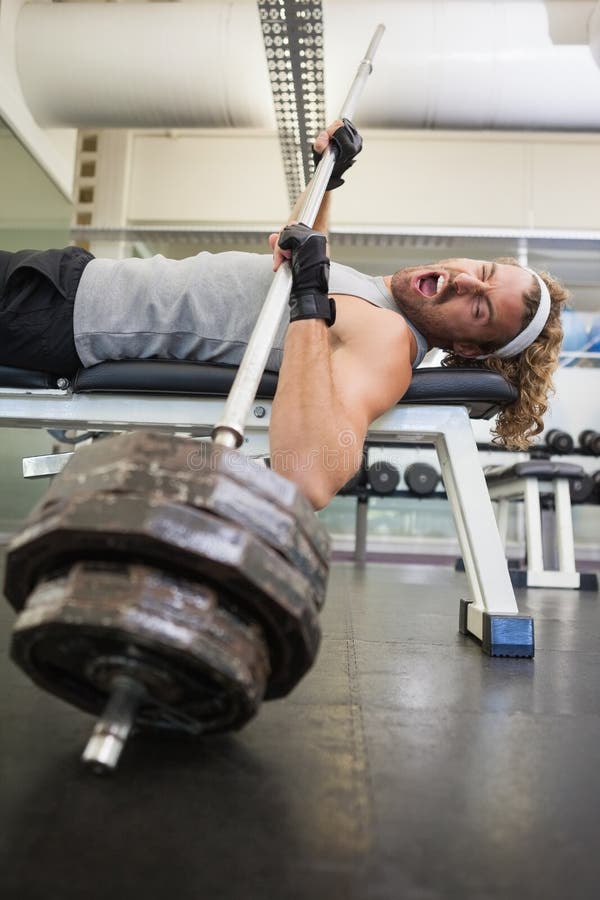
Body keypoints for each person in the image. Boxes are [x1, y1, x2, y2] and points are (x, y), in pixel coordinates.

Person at [0, 121, 568, 508]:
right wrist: (329, 178)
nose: (468, 281)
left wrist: (312, 288)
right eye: (485, 274)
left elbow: (310, 476)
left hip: (62, 314)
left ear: (468, 350)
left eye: (479, 306)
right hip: (70, 283)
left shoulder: (391, 344)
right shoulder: (380, 306)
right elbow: (298, 289)